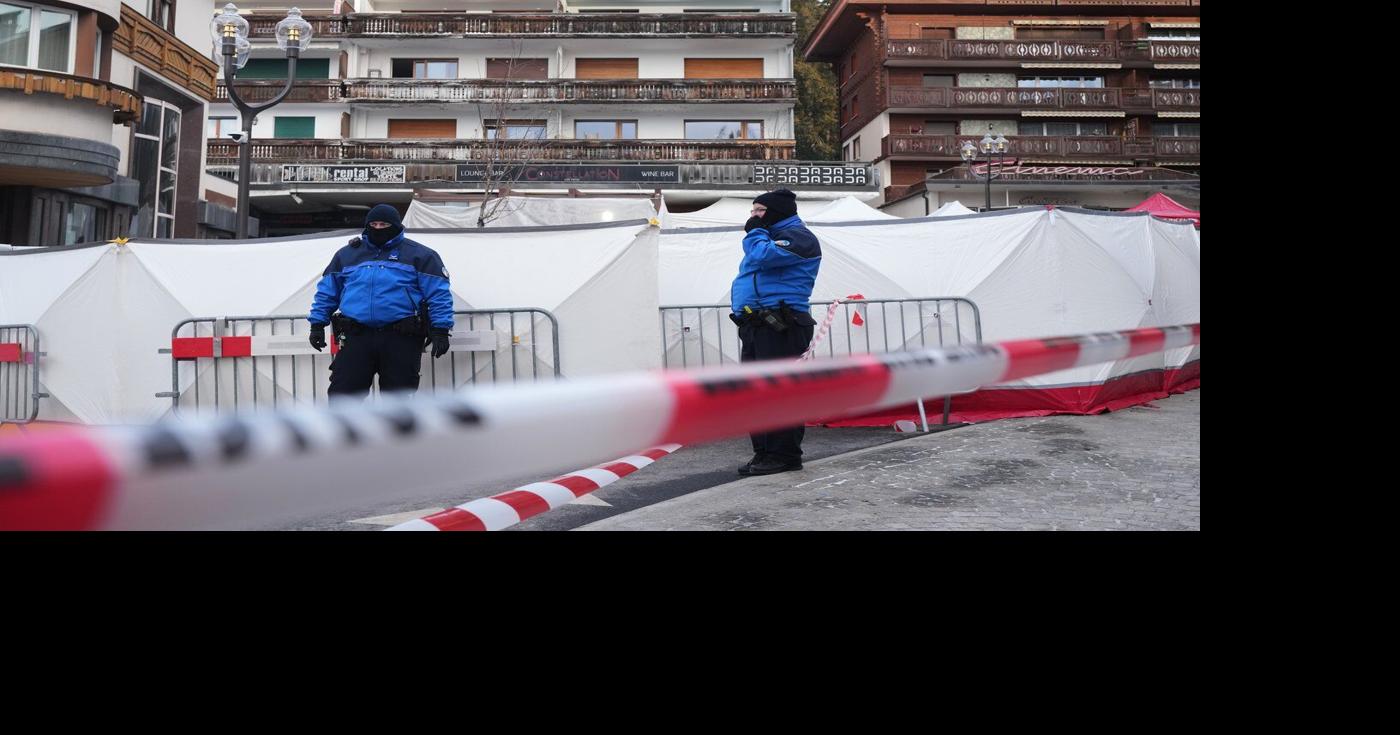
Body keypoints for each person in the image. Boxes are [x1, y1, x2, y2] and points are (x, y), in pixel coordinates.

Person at [307, 204, 454, 399]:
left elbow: (439, 295)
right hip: (357, 336)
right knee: (343, 397)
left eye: (383, 224)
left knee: (398, 402)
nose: (377, 228)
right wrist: (317, 324)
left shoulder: (420, 255)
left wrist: (441, 329)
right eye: (373, 224)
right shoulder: (347, 254)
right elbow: (327, 292)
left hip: (401, 337)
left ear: (395, 225)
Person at [729, 189, 822, 476]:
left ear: (777, 211)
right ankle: (765, 453)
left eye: (759, 211)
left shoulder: (800, 237)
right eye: (752, 211)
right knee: (756, 394)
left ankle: (785, 454)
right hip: (757, 324)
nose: (753, 217)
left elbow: (764, 257)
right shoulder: (766, 236)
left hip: (783, 324)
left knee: (780, 393)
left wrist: (755, 233)